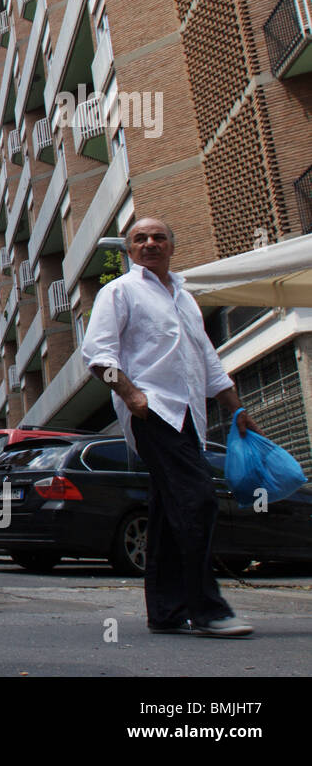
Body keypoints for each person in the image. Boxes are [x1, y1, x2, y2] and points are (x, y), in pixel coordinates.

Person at [81, 217, 258, 637]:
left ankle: (165, 611)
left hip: (189, 416)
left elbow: (208, 362)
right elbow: (97, 357)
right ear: (129, 249)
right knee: (198, 500)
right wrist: (130, 395)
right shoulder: (119, 291)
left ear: (172, 246)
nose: (150, 243)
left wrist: (236, 409)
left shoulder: (185, 298)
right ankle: (207, 608)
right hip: (153, 412)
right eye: (140, 238)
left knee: (167, 510)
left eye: (159, 237)